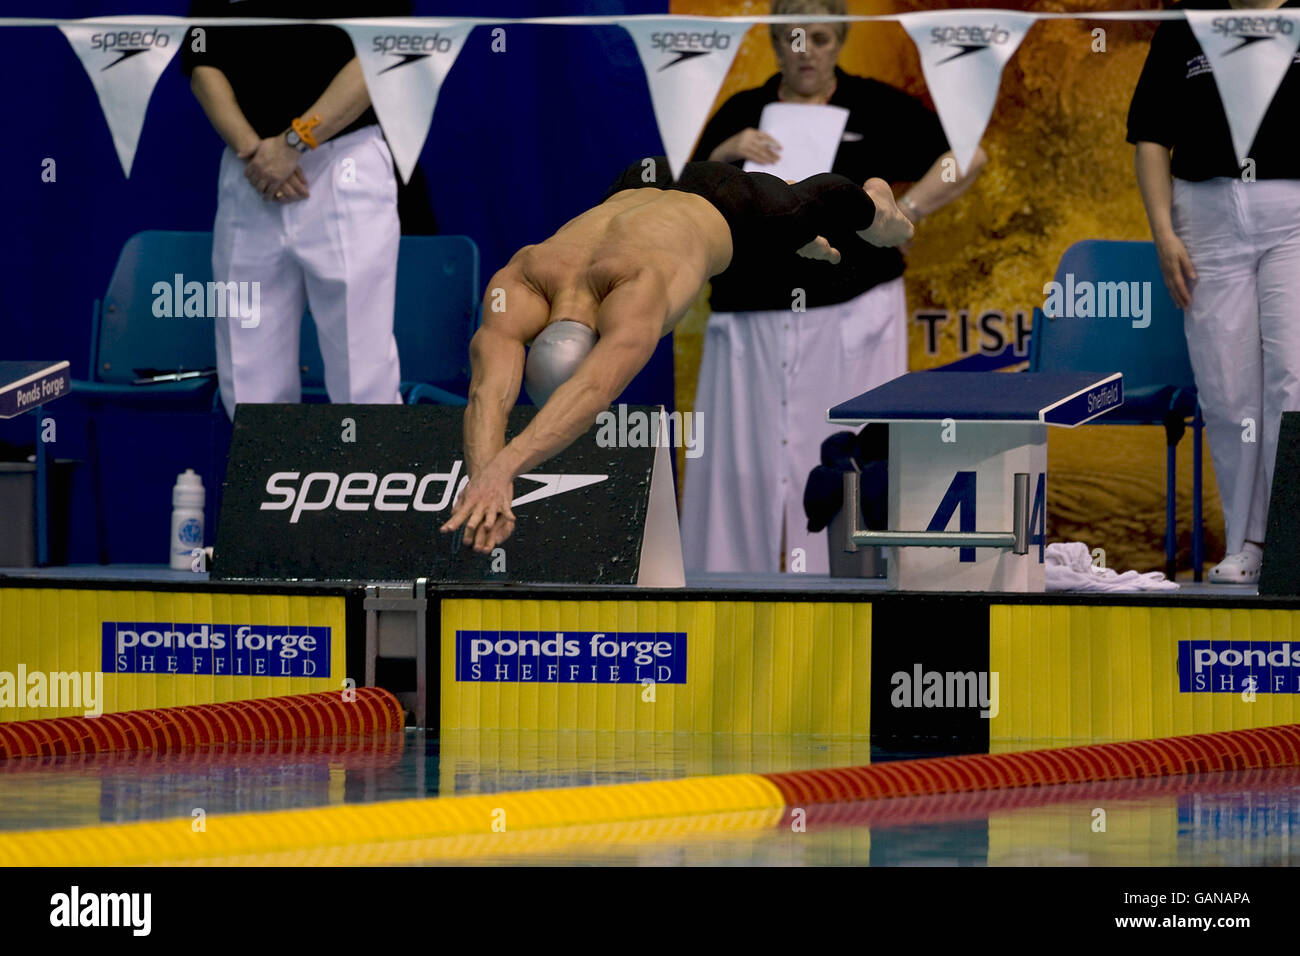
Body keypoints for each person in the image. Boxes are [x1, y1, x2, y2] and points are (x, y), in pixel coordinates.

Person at [440, 160, 914, 553]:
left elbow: (592, 390)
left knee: (853, 216)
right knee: (762, 235)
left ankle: (875, 201)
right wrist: (484, 484)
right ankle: (797, 239)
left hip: (734, 204)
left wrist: (504, 469)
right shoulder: (524, 275)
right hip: (640, 180)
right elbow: (488, 393)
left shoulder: (634, 290)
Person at [682, 0, 987, 575]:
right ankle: (717, 595)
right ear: (773, 42)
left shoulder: (874, 105)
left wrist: (905, 211)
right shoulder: (743, 114)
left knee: (841, 458)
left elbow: (967, 156)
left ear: (840, 41)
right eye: (794, 39)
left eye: (820, 39)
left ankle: (848, 587)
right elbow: (679, 205)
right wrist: (722, 157)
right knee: (737, 473)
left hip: (852, 311)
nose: (806, 53)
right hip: (749, 314)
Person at [1128, 0, 1300, 585]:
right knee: (1228, 394)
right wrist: (1162, 230)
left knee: (1292, 380)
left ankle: (1288, 540)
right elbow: (1150, 136)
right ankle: (1248, 540)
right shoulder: (1185, 22)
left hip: (1294, 214)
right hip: (1204, 216)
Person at [181, 2, 409, 420]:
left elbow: (381, 51)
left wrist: (294, 141)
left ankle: (371, 477)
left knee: (362, 370)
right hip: (250, 168)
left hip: (344, 161)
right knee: (246, 369)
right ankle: (263, 483)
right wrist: (255, 150)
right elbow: (201, 60)